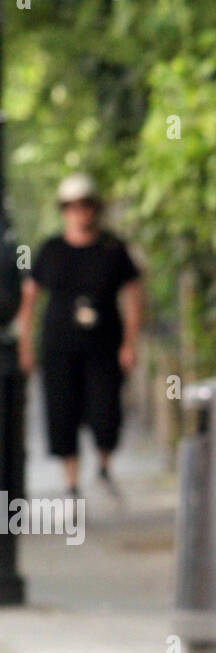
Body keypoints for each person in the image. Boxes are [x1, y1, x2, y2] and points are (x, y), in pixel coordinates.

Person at [15, 173, 143, 503]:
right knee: (62, 413)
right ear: (63, 210)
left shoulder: (112, 249)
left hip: (103, 347)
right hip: (59, 348)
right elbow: (29, 299)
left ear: (94, 209)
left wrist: (130, 342)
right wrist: (24, 345)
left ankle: (103, 466)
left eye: (85, 205)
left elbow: (133, 294)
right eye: (71, 206)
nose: (79, 212)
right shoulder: (50, 249)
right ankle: (71, 485)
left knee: (105, 413)